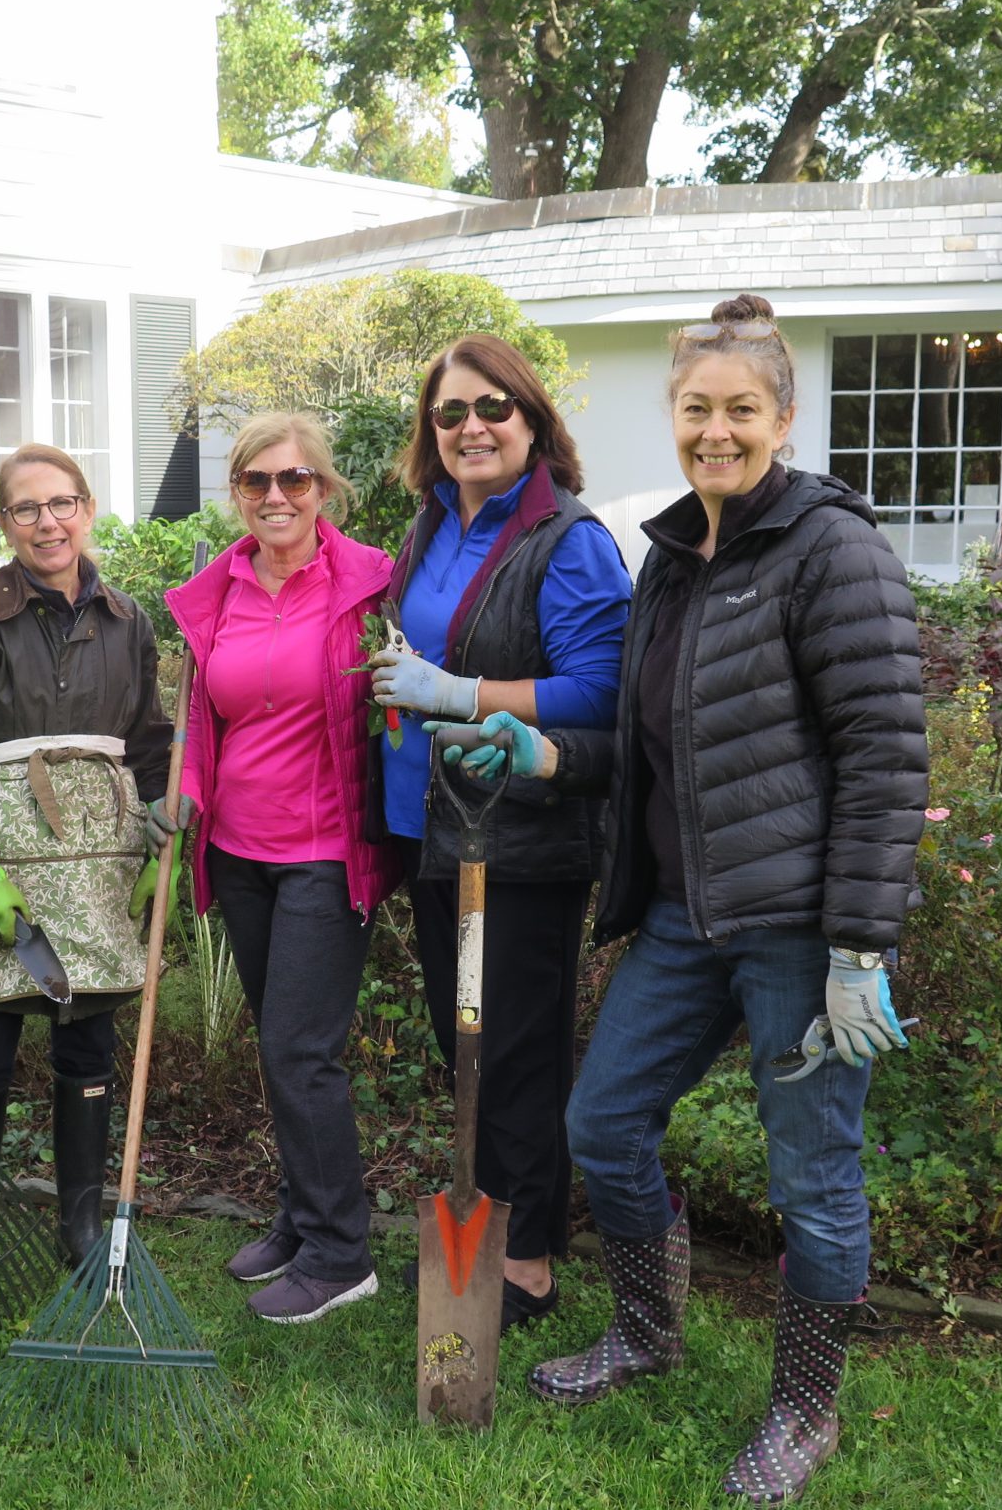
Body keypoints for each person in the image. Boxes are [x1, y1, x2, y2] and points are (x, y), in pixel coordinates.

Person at [445, 294, 927, 1504]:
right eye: (695, 411)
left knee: (810, 1176)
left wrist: (858, 943)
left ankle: (804, 1410)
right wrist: (550, 756)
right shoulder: (672, 554)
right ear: (671, 416)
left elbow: (882, 755)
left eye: (739, 412)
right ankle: (649, 1334)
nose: (716, 433)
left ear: (783, 416)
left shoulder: (830, 549)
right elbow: (640, 735)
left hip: (798, 929)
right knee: (600, 1123)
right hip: (682, 919)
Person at [368, 333, 633, 1329]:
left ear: (530, 421)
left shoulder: (566, 540)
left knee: (515, 1048)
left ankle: (523, 1261)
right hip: (433, 828)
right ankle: (485, 1233)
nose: (470, 427)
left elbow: (602, 691)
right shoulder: (430, 526)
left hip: (520, 834)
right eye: (450, 413)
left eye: (492, 409)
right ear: (428, 432)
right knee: (462, 1040)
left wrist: (462, 693)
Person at [0, 443, 171, 1266]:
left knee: (86, 1042)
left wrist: (162, 829)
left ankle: (79, 1227)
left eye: (62, 504)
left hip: (99, 863)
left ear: (87, 510)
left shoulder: (129, 623)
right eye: (26, 508)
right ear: (5, 523)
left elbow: (152, 742)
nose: (47, 522)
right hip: (1, 859)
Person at [162, 413, 401, 1325]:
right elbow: (198, 724)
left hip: (324, 854)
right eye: (257, 482)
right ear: (237, 494)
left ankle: (343, 1254)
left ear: (324, 489)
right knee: (281, 1048)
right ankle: (303, 1220)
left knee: (301, 1053)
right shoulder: (215, 592)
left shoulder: (368, 582)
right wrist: (185, 790)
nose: (276, 497)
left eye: (295, 480)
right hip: (238, 852)